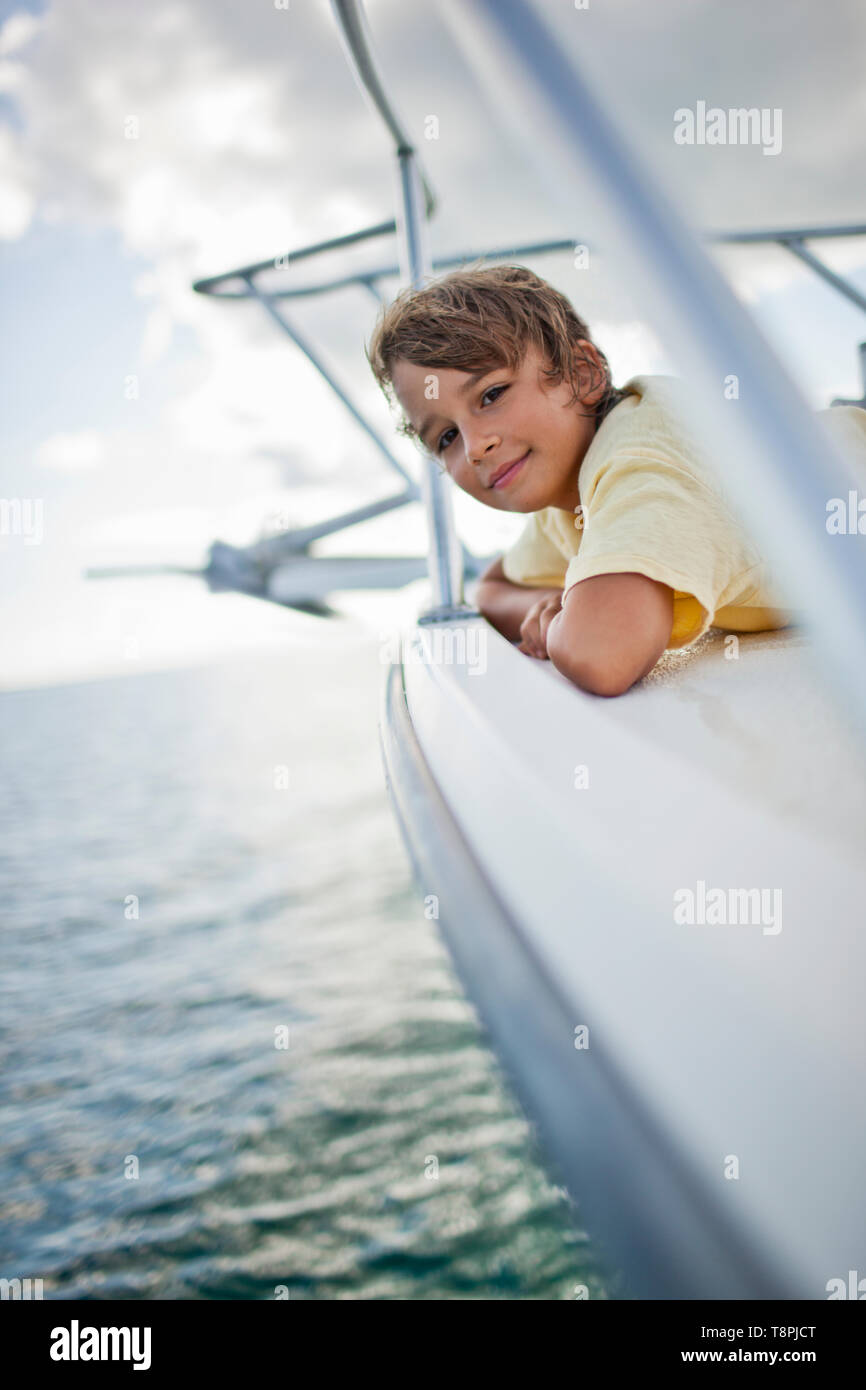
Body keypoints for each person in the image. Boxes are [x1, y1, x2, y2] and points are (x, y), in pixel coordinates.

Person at [366, 263, 866, 696]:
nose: (476, 446)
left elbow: (602, 654)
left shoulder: (642, 456)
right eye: (447, 437)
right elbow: (492, 588)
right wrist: (545, 607)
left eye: (492, 394)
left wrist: (564, 624)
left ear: (583, 374)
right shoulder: (567, 498)